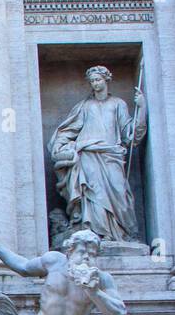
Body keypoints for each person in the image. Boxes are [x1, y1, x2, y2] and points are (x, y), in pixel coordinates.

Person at [49, 65, 146, 242]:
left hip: (112, 155)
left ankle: (121, 234)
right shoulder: (84, 106)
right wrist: (61, 145)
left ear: (106, 80)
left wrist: (141, 109)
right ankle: (97, 233)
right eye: (92, 81)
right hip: (88, 154)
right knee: (93, 194)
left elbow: (130, 135)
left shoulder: (118, 104)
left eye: (98, 80)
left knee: (119, 192)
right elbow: (68, 130)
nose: (95, 83)